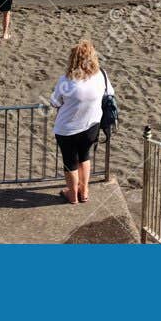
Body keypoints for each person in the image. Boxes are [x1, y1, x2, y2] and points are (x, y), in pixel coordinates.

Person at [49, 39, 114, 204]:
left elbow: (55, 102)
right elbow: (110, 94)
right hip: (92, 125)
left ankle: (72, 195)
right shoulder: (101, 76)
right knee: (85, 157)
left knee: (70, 161)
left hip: (67, 129)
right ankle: (84, 192)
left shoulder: (66, 81)